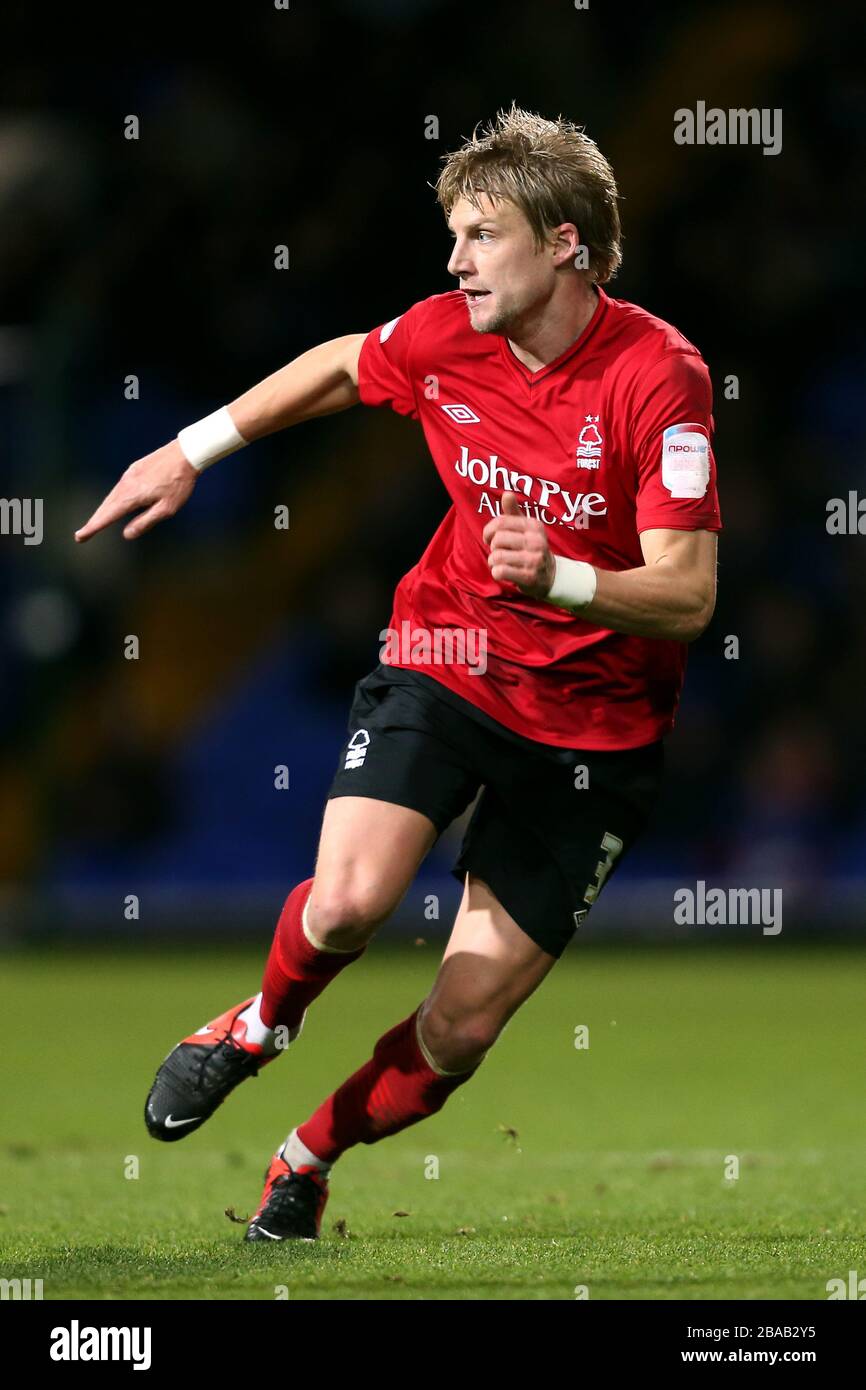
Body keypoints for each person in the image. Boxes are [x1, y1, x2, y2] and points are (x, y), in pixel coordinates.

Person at [75, 104, 721, 1242]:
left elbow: (688, 593)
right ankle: (258, 1026)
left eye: (481, 235)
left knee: (461, 1027)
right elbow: (339, 366)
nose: (455, 261)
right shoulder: (443, 336)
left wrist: (563, 577)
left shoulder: (658, 376)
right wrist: (187, 451)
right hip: (450, 657)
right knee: (348, 903)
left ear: (564, 242)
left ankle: (306, 1155)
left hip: (596, 731)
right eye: (453, 235)